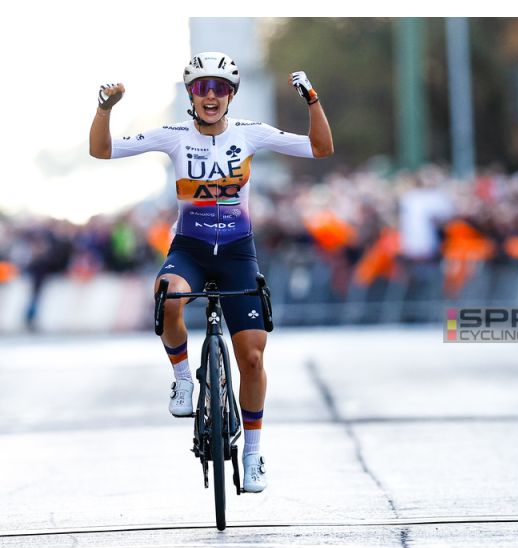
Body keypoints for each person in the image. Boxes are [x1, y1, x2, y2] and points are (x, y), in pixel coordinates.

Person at [89, 51, 334, 492]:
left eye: (219, 87)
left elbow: (321, 148)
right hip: (191, 249)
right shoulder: (174, 135)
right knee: (167, 292)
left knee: (253, 359)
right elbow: (101, 150)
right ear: (191, 94)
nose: (210, 95)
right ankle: (183, 381)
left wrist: (312, 102)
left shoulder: (251, 134)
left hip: (239, 253)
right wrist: (105, 109)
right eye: (201, 87)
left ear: (231, 95)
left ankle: (255, 453)